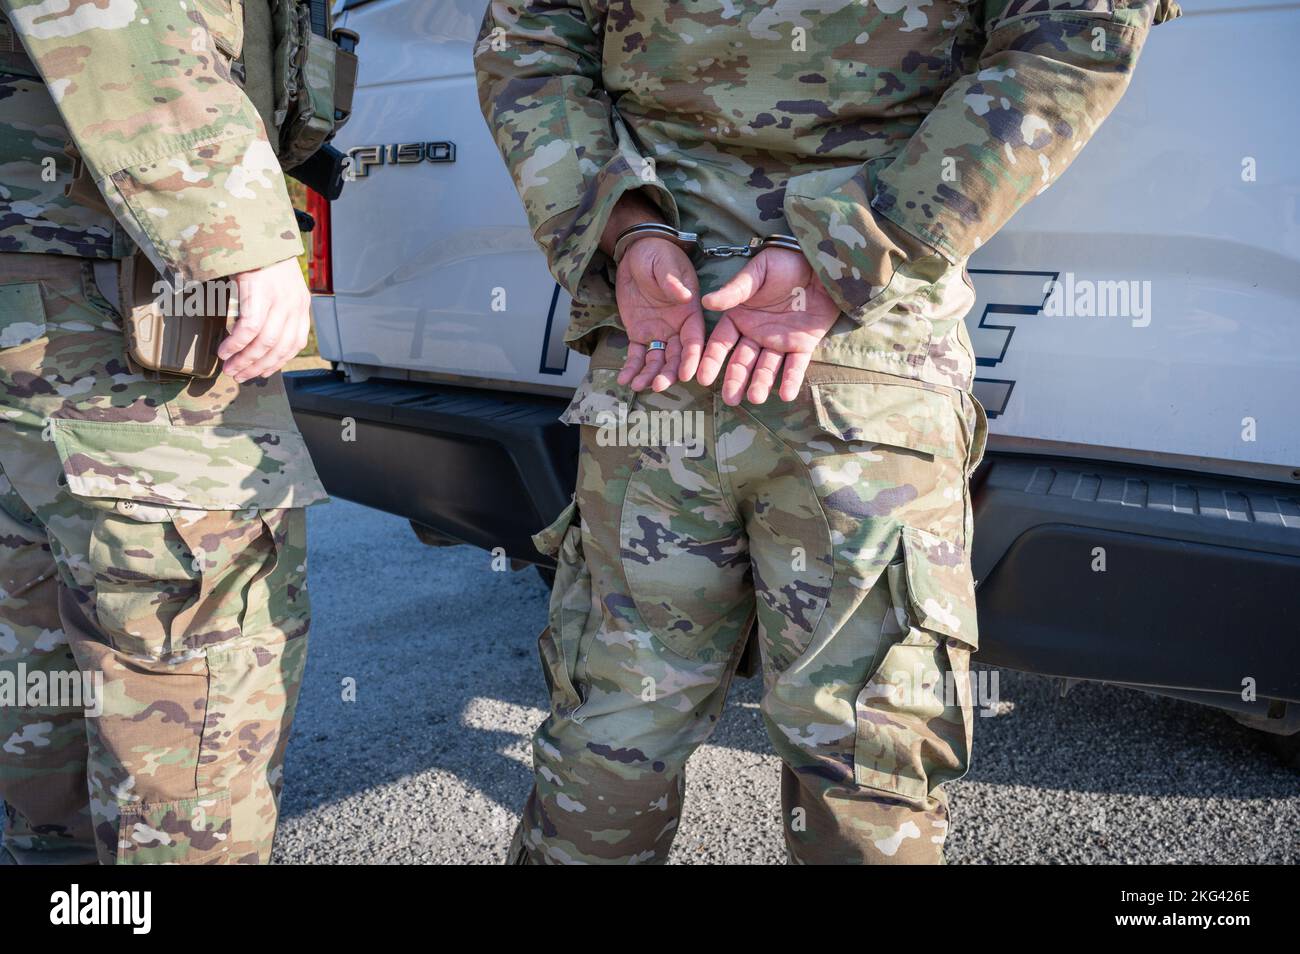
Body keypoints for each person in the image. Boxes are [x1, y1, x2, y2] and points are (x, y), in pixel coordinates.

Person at [476, 0, 1181, 863]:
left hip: (662, 348)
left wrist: (629, 230)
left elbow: (528, 47)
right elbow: (1075, 35)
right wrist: (850, 244)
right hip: (867, 363)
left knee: (619, 723)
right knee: (863, 757)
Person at [0, 0, 327, 864]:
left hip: (36, 290)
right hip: (116, 299)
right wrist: (244, 234)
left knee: (38, 665)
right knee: (194, 679)